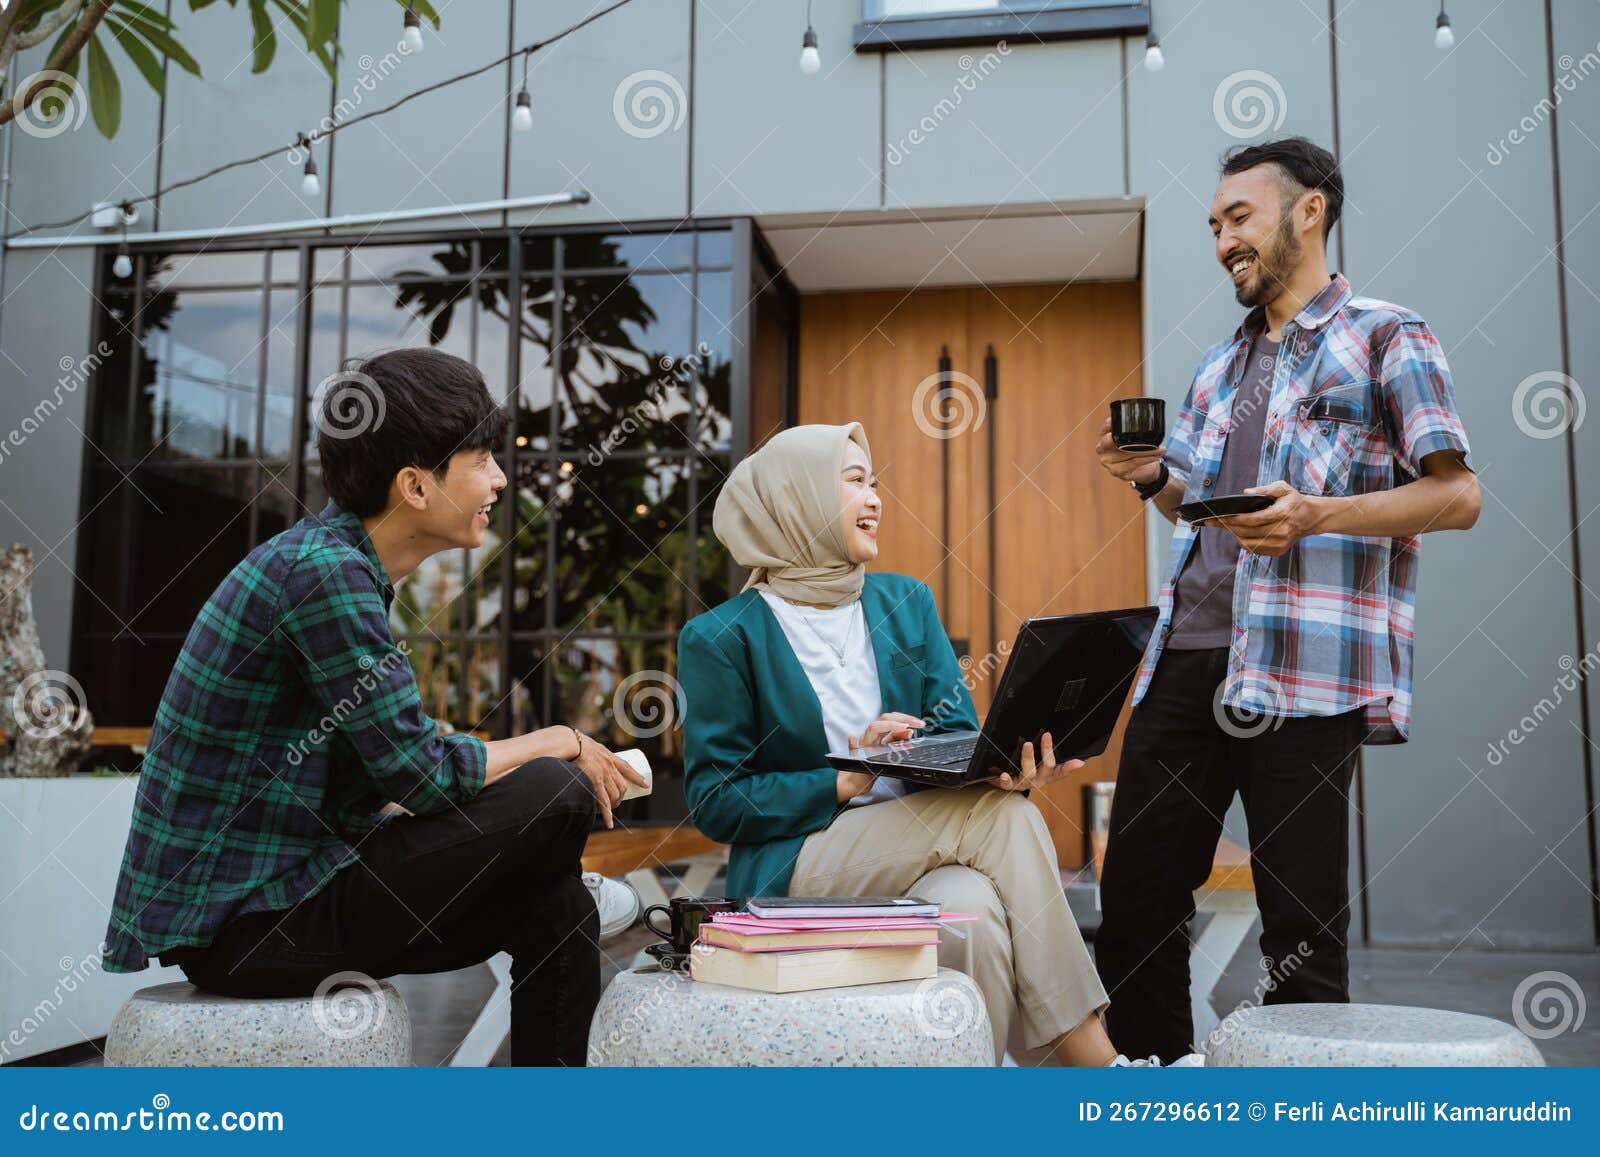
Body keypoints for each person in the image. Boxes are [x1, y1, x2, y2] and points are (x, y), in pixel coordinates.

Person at [102, 347, 647, 1066]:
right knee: (555, 788)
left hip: (295, 890)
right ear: (416, 486)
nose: (500, 479)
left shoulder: (338, 566)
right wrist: (560, 740)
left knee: (556, 903)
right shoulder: (322, 574)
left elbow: (388, 771)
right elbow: (419, 775)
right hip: (249, 925)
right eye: (483, 459)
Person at [1092, 137, 1479, 1063]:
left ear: (1309, 212)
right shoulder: (1217, 367)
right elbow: (1202, 502)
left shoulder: (1388, 335)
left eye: (1240, 218)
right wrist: (1153, 477)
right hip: (1186, 657)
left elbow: (1457, 494)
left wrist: (1318, 515)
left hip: (1305, 673)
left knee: (1298, 931)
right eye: (1215, 225)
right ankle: (1156, 1100)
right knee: (1137, 902)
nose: (1224, 239)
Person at [680, 422, 1166, 1066]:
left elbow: (956, 735)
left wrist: (996, 767)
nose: (875, 497)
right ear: (796, 500)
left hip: (925, 841)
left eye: (875, 482)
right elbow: (717, 802)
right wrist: (846, 778)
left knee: (972, 912)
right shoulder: (721, 636)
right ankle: (1095, 1061)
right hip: (798, 862)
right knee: (1007, 817)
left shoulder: (904, 600)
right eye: (854, 482)